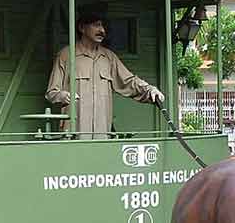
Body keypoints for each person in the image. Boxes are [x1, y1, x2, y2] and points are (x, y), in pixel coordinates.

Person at [46, 11, 164, 139]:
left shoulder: (109, 57)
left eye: (103, 27)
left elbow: (129, 81)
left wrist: (149, 90)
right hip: (74, 135)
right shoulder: (66, 55)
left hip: (102, 135)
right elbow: (51, 93)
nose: (102, 30)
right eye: (96, 25)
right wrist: (62, 95)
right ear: (82, 28)